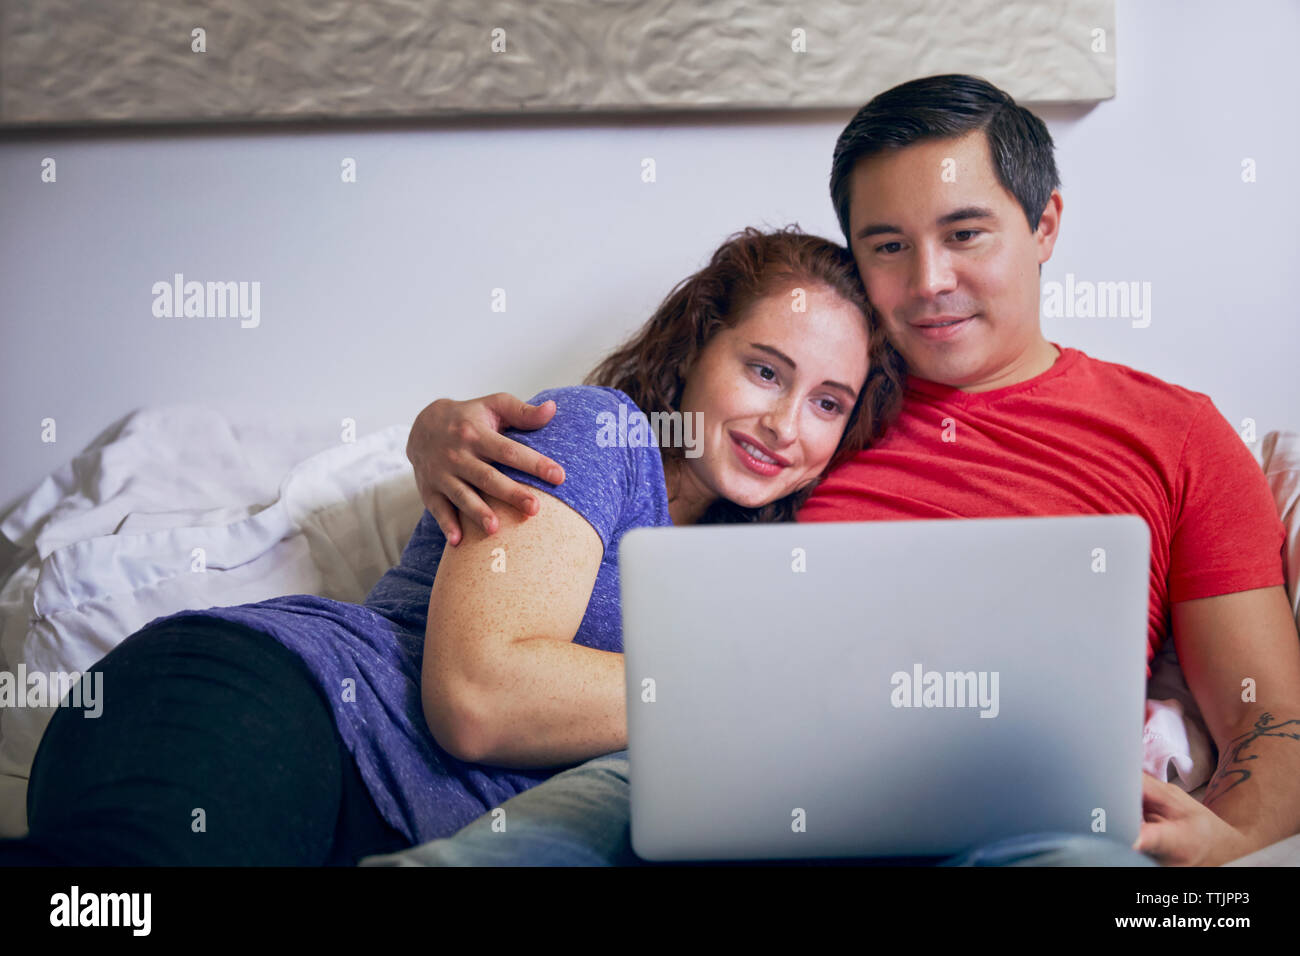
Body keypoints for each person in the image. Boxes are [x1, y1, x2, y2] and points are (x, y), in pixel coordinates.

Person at [384, 74, 1300, 868]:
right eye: (889, 245)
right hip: (741, 768)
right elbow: (633, 482)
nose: (930, 279)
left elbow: (1273, 717)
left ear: (1045, 223)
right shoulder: (820, 416)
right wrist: (433, 433)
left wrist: (1231, 843)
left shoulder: (1176, 433)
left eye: (966, 234)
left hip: (1014, 796)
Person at [0, 225, 899, 867]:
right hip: (283, 707)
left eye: (826, 401)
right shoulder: (598, 432)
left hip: (398, 826)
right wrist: (774, 696)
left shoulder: (739, 562)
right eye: (765, 370)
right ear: (698, 346)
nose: (786, 424)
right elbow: (483, 694)